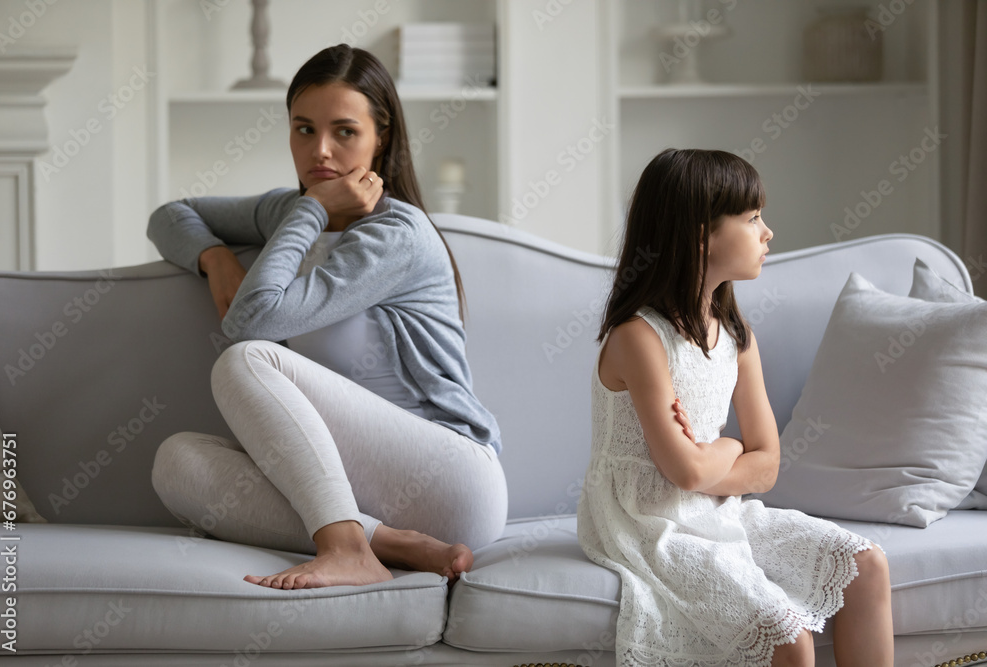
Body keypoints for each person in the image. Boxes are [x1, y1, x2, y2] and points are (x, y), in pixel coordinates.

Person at [147, 44, 507, 591]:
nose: (320, 151)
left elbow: (249, 324)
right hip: (358, 488)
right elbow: (171, 214)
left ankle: (343, 548)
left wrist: (312, 207)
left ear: (380, 137)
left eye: (344, 132)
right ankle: (382, 542)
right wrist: (215, 258)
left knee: (243, 359)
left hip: (450, 479)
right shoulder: (283, 208)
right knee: (177, 462)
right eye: (302, 129)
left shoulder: (395, 234)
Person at [577, 148, 892, 666]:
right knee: (789, 639)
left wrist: (711, 462)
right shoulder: (639, 338)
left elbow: (766, 466)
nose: (767, 232)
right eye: (752, 219)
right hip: (648, 522)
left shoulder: (737, 338)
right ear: (701, 234)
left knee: (867, 564)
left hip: (720, 508)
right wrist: (728, 446)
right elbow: (684, 470)